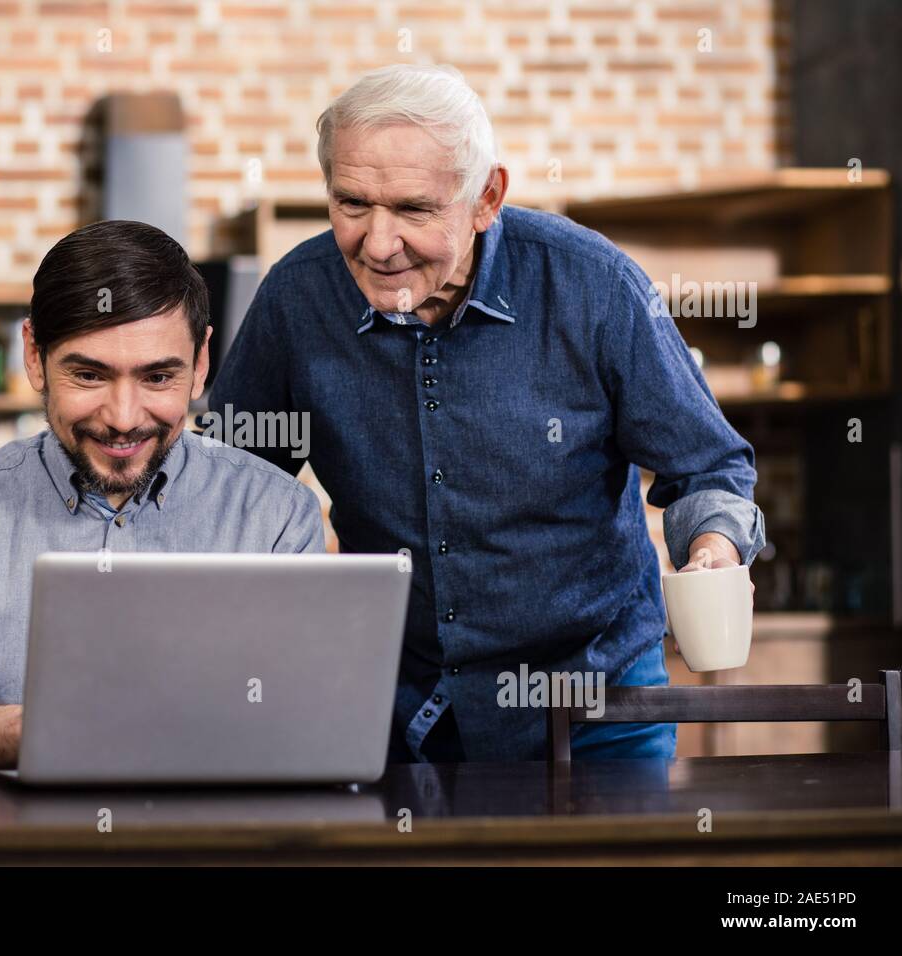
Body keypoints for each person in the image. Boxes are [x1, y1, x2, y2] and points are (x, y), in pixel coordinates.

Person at [210, 64, 765, 763]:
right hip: (398, 709)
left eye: (414, 209)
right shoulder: (297, 298)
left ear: (486, 197)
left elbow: (709, 464)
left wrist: (712, 551)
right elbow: (224, 486)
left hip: (595, 706)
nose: (378, 244)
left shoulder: (592, 286)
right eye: (351, 203)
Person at [0, 220, 325, 770]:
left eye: (158, 378)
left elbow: (296, 720)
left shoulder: (277, 515)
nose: (124, 419)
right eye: (89, 375)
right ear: (35, 356)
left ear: (201, 364)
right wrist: (55, 729)